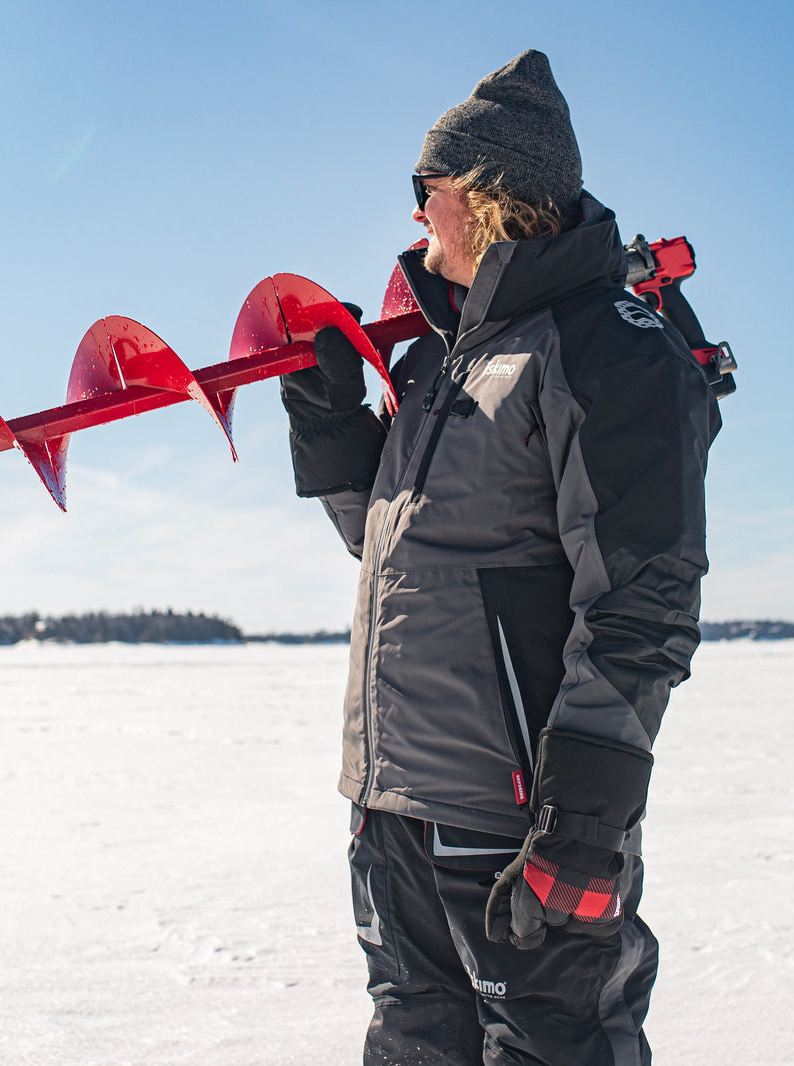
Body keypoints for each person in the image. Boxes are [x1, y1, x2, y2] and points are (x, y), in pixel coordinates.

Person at [280, 49, 721, 1066]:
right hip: (395, 801)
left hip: (515, 816)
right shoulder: (442, 357)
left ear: (484, 199)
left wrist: (583, 826)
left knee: (551, 1047)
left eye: (424, 193)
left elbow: (642, 601)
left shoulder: (605, 346)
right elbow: (394, 554)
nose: (414, 220)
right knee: (412, 1039)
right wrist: (329, 421)